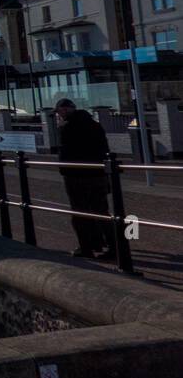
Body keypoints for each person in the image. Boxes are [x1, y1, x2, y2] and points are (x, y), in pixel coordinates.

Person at [54, 98, 114, 258]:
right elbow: (104, 148)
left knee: (79, 212)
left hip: (76, 175)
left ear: (64, 110)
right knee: (101, 211)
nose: (59, 115)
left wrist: (64, 169)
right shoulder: (95, 125)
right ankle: (114, 247)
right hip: (97, 173)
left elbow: (65, 152)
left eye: (59, 112)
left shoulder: (66, 128)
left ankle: (87, 247)